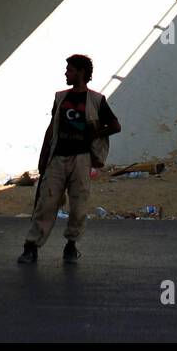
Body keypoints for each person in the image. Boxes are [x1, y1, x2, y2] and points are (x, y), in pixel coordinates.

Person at [18, 54, 121, 265]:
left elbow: (115, 126)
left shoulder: (96, 100)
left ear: (81, 72)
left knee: (79, 206)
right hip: (57, 158)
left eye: (70, 70)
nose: (66, 73)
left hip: (81, 159)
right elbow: (51, 128)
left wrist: (95, 133)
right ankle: (31, 247)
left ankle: (71, 246)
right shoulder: (60, 98)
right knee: (46, 203)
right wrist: (43, 157)